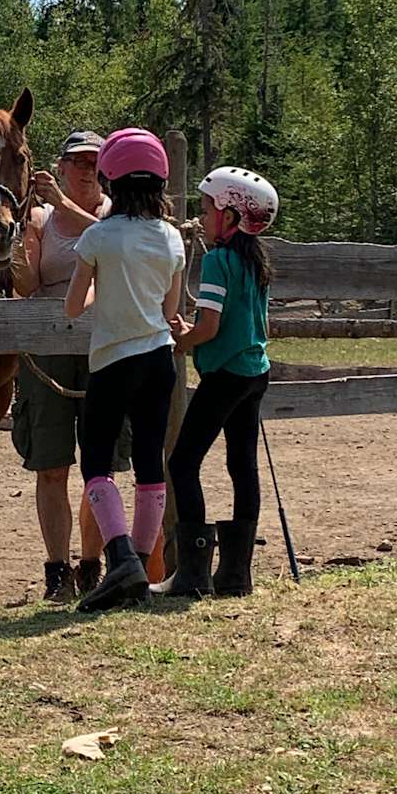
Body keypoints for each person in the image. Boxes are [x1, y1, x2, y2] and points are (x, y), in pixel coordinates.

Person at [64, 128, 186, 613]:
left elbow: (74, 306)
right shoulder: (173, 238)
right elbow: (170, 307)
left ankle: (120, 561)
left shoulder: (98, 237)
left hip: (112, 361)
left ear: (110, 178)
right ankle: (138, 560)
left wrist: (101, 294)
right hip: (158, 359)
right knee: (150, 463)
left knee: (96, 461)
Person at [10, 130, 129, 602]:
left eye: (94, 160)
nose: (86, 168)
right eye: (78, 160)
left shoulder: (115, 216)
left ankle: (92, 565)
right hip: (49, 350)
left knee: (101, 468)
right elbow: (25, 285)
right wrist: (14, 239)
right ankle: (57, 571)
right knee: (52, 466)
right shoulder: (40, 219)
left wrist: (61, 202)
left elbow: (115, 251)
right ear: (60, 166)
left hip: (105, 349)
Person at [153, 166, 279, 599]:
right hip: (254, 372)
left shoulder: (217, 260)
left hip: (224, 374)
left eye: (207, 209)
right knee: (242, 465)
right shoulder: (253, 259)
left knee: (183, 463)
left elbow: (209, 326)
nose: (202, 217)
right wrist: (195, 330)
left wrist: (183, 340)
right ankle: (235, 574)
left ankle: (192, 573)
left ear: (229, 215)